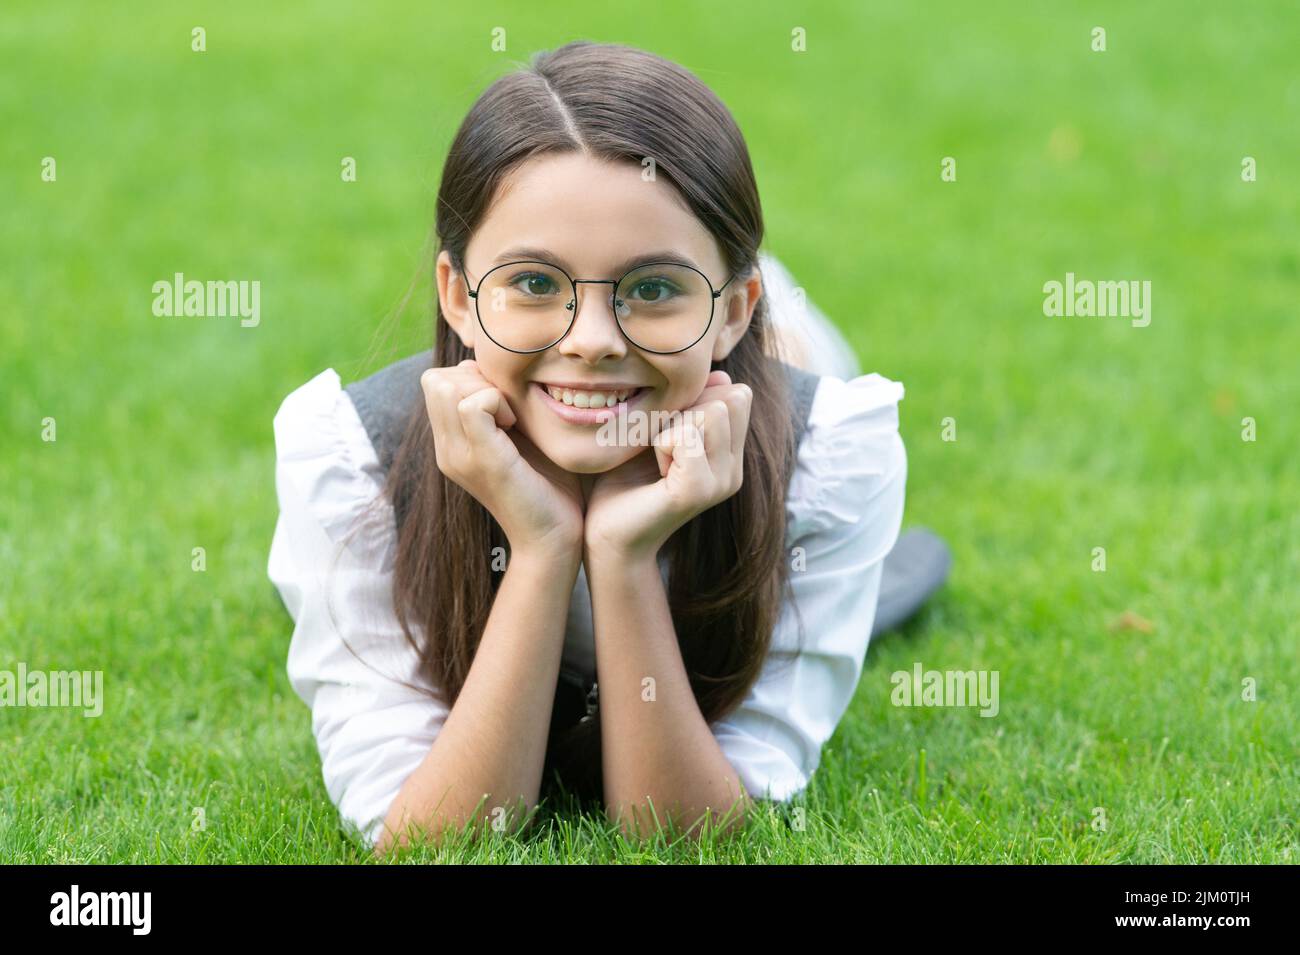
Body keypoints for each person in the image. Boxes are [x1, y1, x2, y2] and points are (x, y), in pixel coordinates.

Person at [267, 40, 941, 857]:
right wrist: (543, 545)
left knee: (793, 354)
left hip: (750, 370)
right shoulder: (347, 455)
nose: (590, 341)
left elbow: (692, 833)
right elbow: (430, 841)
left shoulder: (832, 454)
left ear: (734, 310)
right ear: (456, 295)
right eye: (536, 283)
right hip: (673, 363)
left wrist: (622, 557)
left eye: (651, 286)